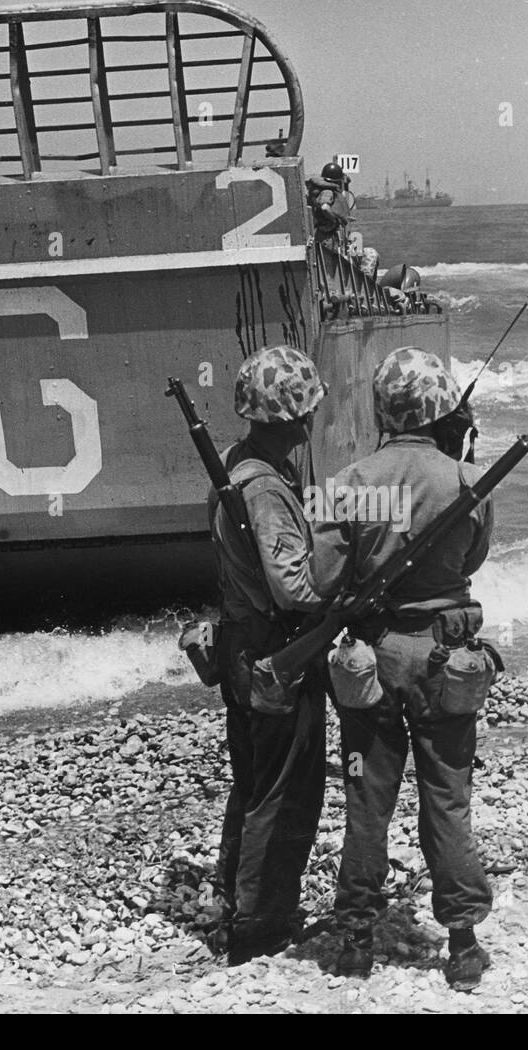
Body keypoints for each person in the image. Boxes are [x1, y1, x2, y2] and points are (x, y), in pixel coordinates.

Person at [310, 347, 496, 992]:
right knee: (448, 798)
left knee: (367, 797)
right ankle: (464, 945)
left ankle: (357, 937)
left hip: (372, 660)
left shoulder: (350, 483)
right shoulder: (467, 480)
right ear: (442, 406)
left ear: (383, 407)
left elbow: (324, 577)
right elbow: (473, 557)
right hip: (448, 657)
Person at [211, 345, 329, 965]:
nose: (312, 422)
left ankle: (239, 897)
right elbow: (291, 586)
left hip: (241, 648)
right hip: (275, 655)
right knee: (283, 791)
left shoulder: (239, 464)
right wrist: (343, 594)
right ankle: (261, 924)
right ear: (293, 419)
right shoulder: (265, 488)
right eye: (306, 410)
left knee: (253, 782)